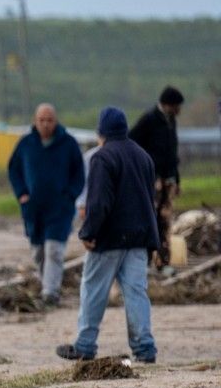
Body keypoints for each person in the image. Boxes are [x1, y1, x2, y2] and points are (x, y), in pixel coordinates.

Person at [57, 107, 159, 364]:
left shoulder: (102, 157)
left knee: (93, 290)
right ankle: (144, 348)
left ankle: (85, 345)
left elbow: (99, 201)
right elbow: (149, 198)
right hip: (139, 237)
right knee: (136, 292)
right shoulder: (143, 156)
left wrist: (88, 232)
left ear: (100, 132)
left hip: (109, 239)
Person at [5, 103, 87, 306]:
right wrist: (22, 194)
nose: (45, 124)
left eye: (49, 120)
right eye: (42, 120)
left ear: (55, 121)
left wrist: (70, 195)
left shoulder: (68, 144)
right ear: (35, 121)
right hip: (34, 208)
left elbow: (79, 173)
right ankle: (46, 286)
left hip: (60, 208)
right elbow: (13, 170)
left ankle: (51, 292)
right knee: (38, 252)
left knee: (54, 250)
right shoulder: (26, 144)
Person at [129, 86, 183, 269]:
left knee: (165, 222)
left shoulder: (171, 120)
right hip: (152, 179)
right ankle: (145, 260)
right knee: (149, 219)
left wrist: (177, 179)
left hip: (168, 179)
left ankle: (162, 262)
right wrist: (145, 165)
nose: (179, 110)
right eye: (177, 106)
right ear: (168, 104)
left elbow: (173, 152)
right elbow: (132, 140)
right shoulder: (150, 119)